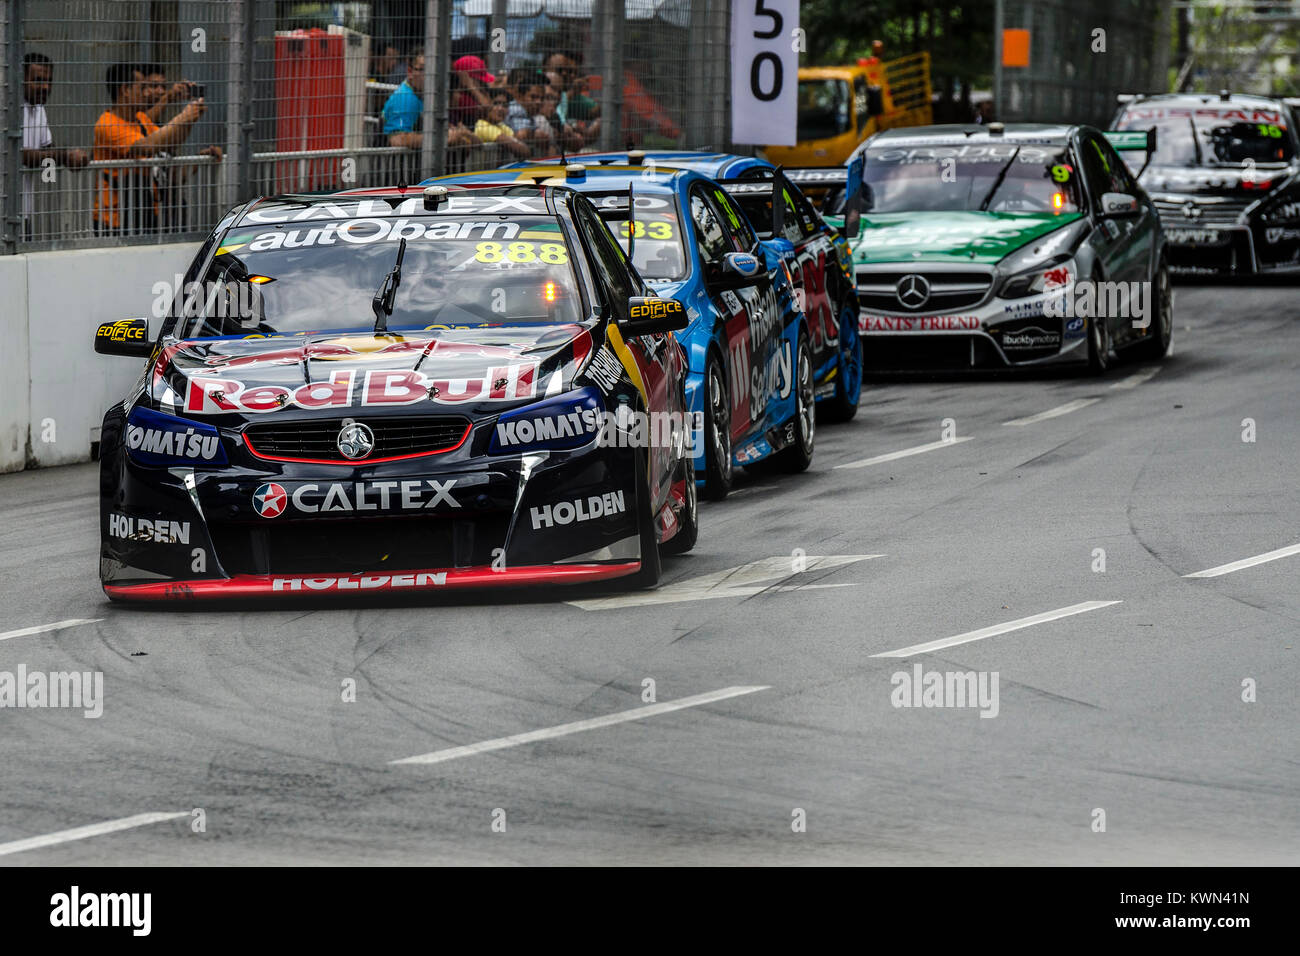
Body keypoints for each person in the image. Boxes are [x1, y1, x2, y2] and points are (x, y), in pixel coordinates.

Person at [93, 62, 205, 235]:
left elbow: (169, 142)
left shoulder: (140, 119)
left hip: (143, 211)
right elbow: (144, 147)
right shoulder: (107, 123)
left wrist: (190, 118)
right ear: (125, 90)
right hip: (115, 219)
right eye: (143, 87)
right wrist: (183, 117)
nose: (146, 93)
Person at [20, 53, 89, 239]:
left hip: (25, 212)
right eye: (38, 80)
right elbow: (20, 156)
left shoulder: (39, 109)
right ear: (21, 79)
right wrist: (65, 157)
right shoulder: (10, 109)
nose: (45, 87)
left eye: (49, 81)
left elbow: (47, 151)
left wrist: (50, 176)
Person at [383, 54, 478, 152]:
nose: (430, 76)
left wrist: (464, 134)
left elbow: (476, 144)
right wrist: (441, 138)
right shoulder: (404, 98)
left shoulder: (428, 97)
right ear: (410, 72)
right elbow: (397, 140)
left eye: (434, 70)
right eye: (424, 69)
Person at [474, 92, 530, 159]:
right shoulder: (482, 126)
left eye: (505, 105)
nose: (501, 109)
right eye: (496, 104)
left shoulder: (502, 126)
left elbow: (519, 145)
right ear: (487, 104)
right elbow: (522, 150)